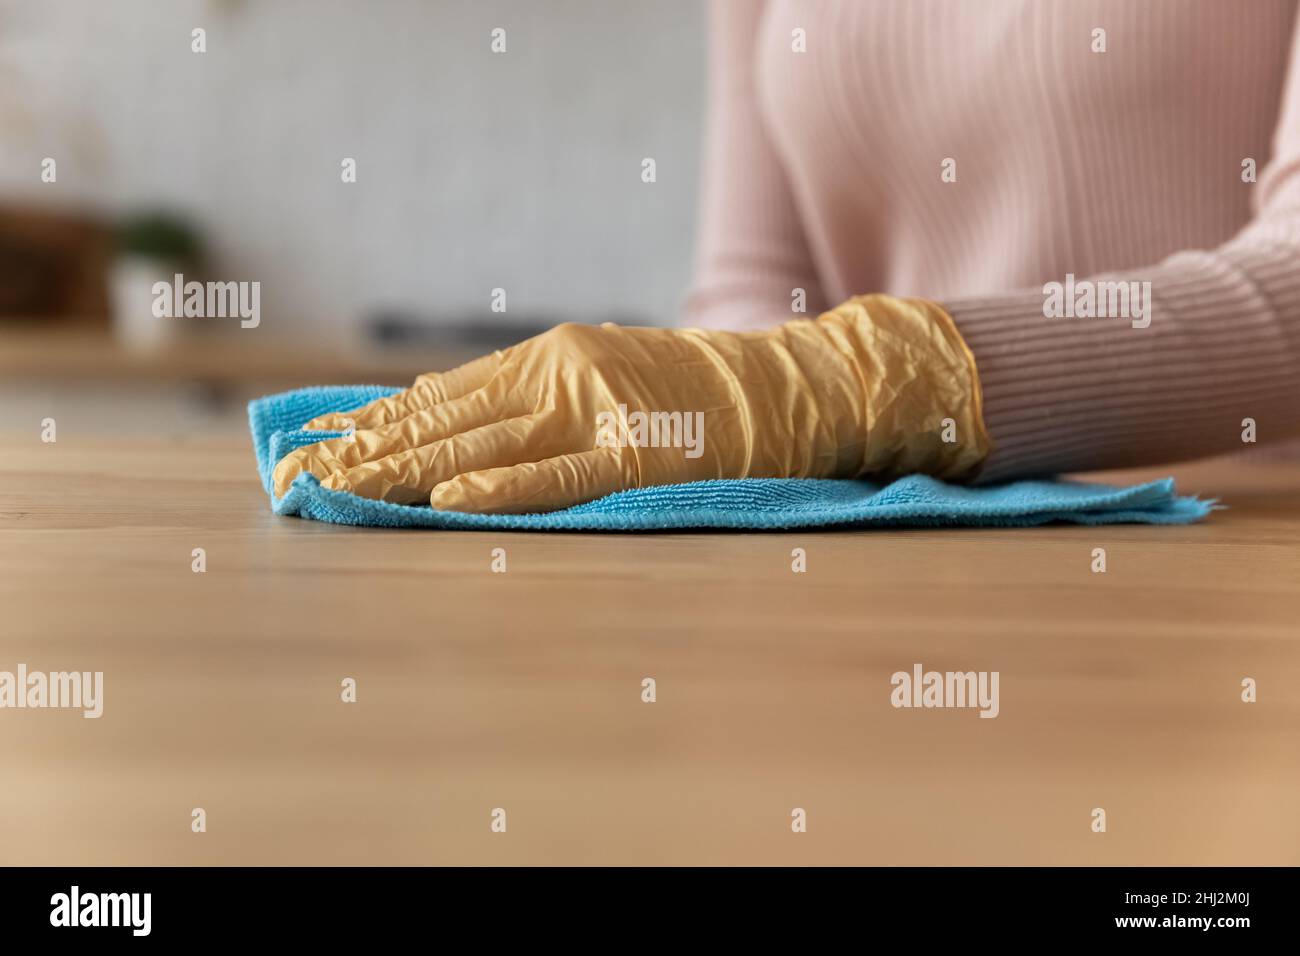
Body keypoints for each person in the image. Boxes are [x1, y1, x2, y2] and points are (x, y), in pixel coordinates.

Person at [276, 0, 1300, 514]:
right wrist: (717, 413)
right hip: (895, 568)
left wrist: (843, 382)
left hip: (1240, 555)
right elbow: (750, 280)